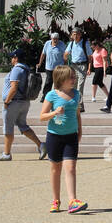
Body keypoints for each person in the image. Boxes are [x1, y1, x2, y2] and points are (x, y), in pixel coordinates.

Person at [39, 65, 86, 213]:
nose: (74, 79)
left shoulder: (76, 94)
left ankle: (72, 200)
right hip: (54, 136)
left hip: (71, 136)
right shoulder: (51, 95)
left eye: (74, 76)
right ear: (61, 79)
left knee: (71, 168)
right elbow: (42, 116)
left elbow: (77, 114)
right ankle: (56, 200)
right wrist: (54, 113)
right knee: (55, 169)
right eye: (70, 77)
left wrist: (80, 130)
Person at [0, 49, 46, 162]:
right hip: (24, 102)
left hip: (14, 102)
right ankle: (41, 145)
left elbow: (14, 87)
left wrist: (7, 101)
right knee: (23, 126)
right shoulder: (26, 69)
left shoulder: (16, 69)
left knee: (8, 127)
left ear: (16, 58)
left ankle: (6, 153)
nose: (11, 59)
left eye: (12, 57)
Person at [64, 28, 91, 105]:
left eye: (77, 34)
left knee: (80, 86)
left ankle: (80, 105)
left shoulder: (85, 43)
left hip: (82, 66)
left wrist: (89, 68)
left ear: (80, 35)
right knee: (73, 86)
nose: (75, 36)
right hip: (73, 66)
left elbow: (90, 57)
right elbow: (66, 53)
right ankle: (73, 103)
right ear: (72, 35)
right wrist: (65, 57)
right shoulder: (71, 44)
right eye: (74, 34)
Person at [39, 31, 67, 99]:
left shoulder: (61, 44)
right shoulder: (47, 43)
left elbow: (65, 55)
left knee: (57, 82)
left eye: (56, 39)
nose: (55, 40)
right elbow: (43, 54)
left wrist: (65, 64)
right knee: (48, 82)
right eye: (54, 38)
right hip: (49, 67)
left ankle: (56, 96)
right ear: (51, 38)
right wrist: (40, 63)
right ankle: (45, 96)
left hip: (59, 67)